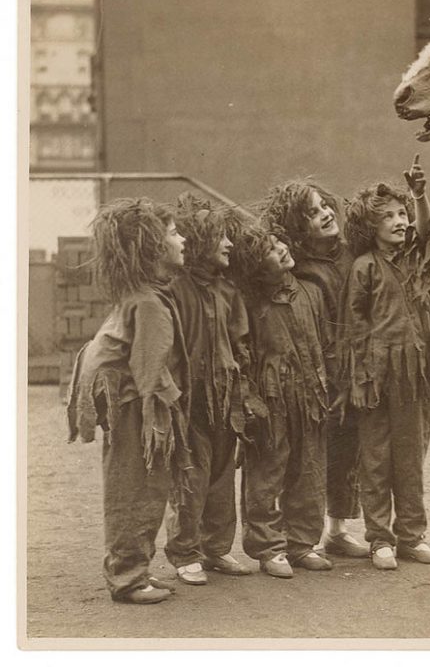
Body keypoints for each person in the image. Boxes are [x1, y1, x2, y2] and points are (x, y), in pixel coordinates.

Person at [66, 198, 188, 604]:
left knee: (140, 486)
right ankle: (128, 578)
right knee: (138, 489)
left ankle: (135, 570)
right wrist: (163, 417)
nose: (183, 240)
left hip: (128, 400)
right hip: (134, 405)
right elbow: (150, 372)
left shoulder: (141, 295)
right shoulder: (149, 303)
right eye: (174, 233)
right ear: (153, 248)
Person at [340, 158, 430, 571]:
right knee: (375, 458)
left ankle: (411, 536)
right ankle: (379, 539)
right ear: (371, 227)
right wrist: (360, 378)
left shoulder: (414, 260)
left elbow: (427, 230)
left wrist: (419, 196)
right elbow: (355, 328)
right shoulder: (364, 267)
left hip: (414, 374)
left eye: (402, 214)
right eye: (388, 216)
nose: (400, 221)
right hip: (376, 376)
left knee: (411, 457)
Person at [260, 180, 366, 559]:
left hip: (357, 364)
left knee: (348, 448)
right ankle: (300, 533)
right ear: (296, 227)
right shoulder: (299, 269)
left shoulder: (351, 253)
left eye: (324, 206)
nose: (325, 214)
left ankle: (337, 529)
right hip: (318, 368)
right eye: (311, 213)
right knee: (310, 453)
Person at [227, 220, 334, 578]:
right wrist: (248, 397)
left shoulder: (311, 292)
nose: (282, 249)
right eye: (270, 251)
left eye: (279, 243)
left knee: (310, 469)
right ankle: (268, 546)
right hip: (270, 400)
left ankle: (302, 543)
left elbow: (326, 341)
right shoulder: (249, 302)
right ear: (256, 267)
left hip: (310, 395)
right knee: (266, 472)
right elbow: (241, 352)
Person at [163, 194, 253, 585]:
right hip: (191, 398)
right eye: (220, 237)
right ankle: (185, 551)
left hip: (225, 396)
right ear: (200, 242)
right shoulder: (177, 288)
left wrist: (242, 388)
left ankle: (216, 548)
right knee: (191, 475)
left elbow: (240, 342)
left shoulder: (227, 291)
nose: (228, 244)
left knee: (221, 474)